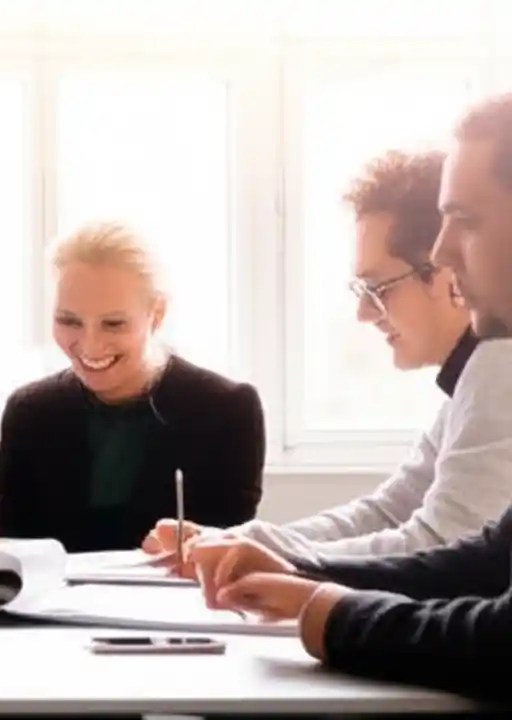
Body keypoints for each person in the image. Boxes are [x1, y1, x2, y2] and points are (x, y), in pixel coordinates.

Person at [184, 93, 512, 701]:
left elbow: (497, 628)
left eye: (465, 221)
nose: (444, 252)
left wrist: (324, 608)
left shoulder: (499, 364)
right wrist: (280, 559)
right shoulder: (479, 372)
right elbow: (483, 556)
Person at [144, 150, 512, 564]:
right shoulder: (473, 376)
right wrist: (241, 542)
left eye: (379, 288)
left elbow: (439, 542)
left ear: (444, 270)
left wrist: (271, 558)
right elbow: (388, 512)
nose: (364, 313)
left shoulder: (499, 365)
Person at [0, 221, 265, 552]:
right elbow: (14, 551)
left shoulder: (227, 410)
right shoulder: (29, 412)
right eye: (69, 321)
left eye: (114, 324)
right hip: (47, 604)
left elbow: (222, 559)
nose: (90, 345)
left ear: (157, 313)